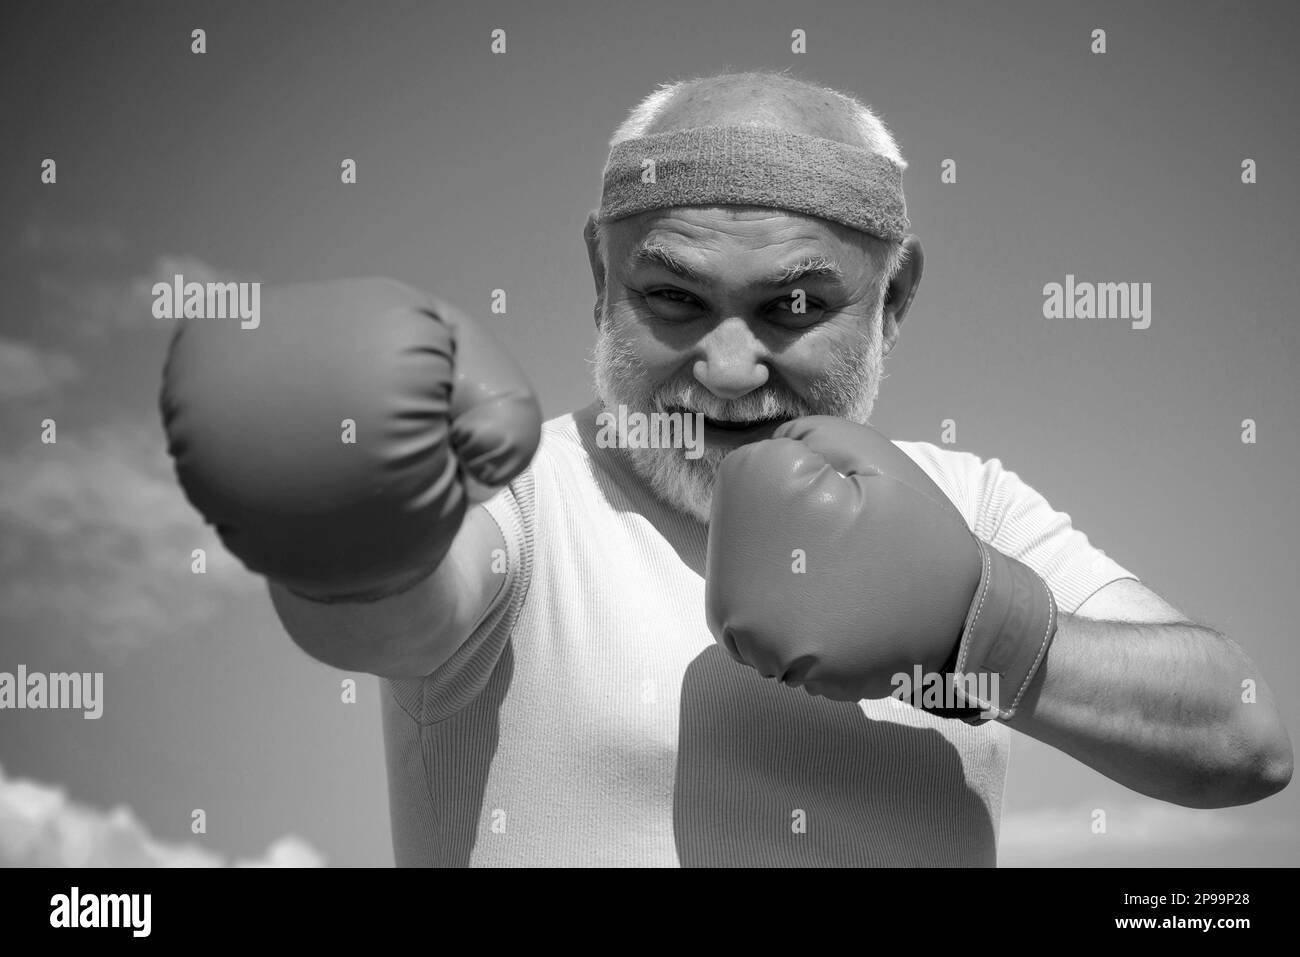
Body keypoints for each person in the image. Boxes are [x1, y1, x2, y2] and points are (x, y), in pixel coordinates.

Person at [160, 70, 1292, 867]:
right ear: (599, 282)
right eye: (672, 300)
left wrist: (976, 631)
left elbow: (1243, 742)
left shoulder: (969, 501)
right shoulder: (525, 495)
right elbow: (395, 619)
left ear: (892, 301)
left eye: (793, 307)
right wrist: (339, 521)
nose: (730, 366)